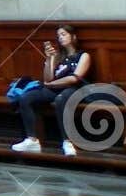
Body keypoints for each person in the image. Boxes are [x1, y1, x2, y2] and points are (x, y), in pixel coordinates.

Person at [12, 24, 91, 156]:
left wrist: (51, 84)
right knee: (26, 98)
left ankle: (67, 141)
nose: (61, 38)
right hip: (54, 88)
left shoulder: (83, 55)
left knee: (60, 100)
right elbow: (47, 78)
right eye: (59, 35)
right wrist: (50, 58)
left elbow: (74, 78)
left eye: (64, 34)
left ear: (73, 37)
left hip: (74, 89)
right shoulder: (59, 56)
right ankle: (32, 140)